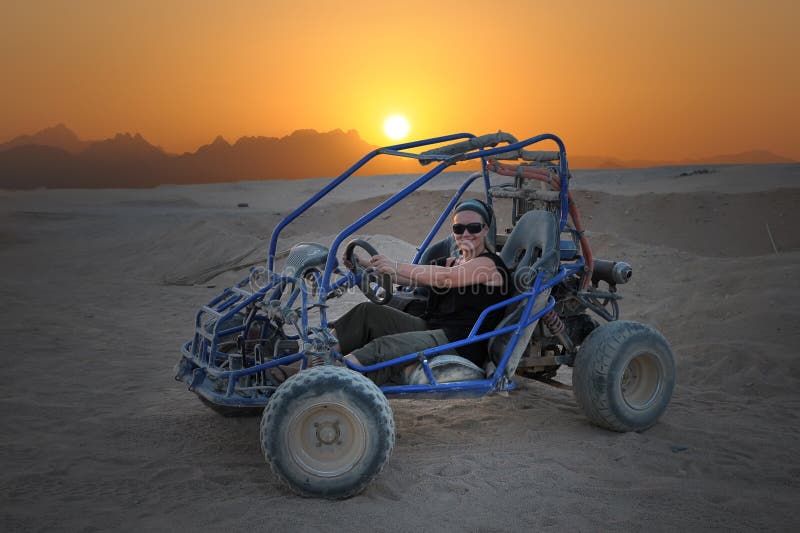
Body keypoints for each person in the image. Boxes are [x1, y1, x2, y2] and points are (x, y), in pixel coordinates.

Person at [332, 199, 512, 385]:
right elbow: (408, 278)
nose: (465, 233)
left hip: (460, 341)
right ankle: (321, 358)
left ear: (485, 230)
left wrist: (395, 265)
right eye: (459, 229)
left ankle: (335, 379)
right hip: (433, 327)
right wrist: (364, 265)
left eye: (473, 227)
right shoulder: (451, 262)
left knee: (384, 346)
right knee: (367, 312)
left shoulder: (489, 265)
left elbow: (447, 278)